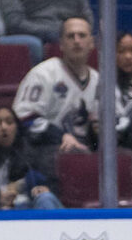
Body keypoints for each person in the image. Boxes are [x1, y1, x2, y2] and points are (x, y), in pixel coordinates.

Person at [14, 16, 98, 178]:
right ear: (61, 44)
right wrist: (61, 136)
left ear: (91, 43)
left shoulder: (99, 80)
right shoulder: (43, 74)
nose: (76, 41)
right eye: (70, 36)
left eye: (82, 35)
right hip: (49, 148)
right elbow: (24, 116)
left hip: (86, 147)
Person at [0, 104, 58, 209]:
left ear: (16, 128)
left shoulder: (28, 154)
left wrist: (40, 188)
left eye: (9, 122)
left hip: (27, 212)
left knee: (46, 199)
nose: (4, 127)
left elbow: (50, 183)